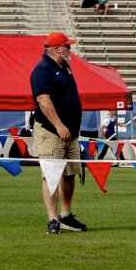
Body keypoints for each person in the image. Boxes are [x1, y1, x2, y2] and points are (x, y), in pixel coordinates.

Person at [29, 31, 86, 235]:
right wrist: (59, 125)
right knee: (51, 175)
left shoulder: (65, 67)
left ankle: (66, 214)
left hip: (71, 132)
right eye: (66, 46)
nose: (69, 49)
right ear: (56, 49)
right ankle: (52, 218)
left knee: (70, 174)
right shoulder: (42, 70)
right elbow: (43, 100)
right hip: (51, 131)